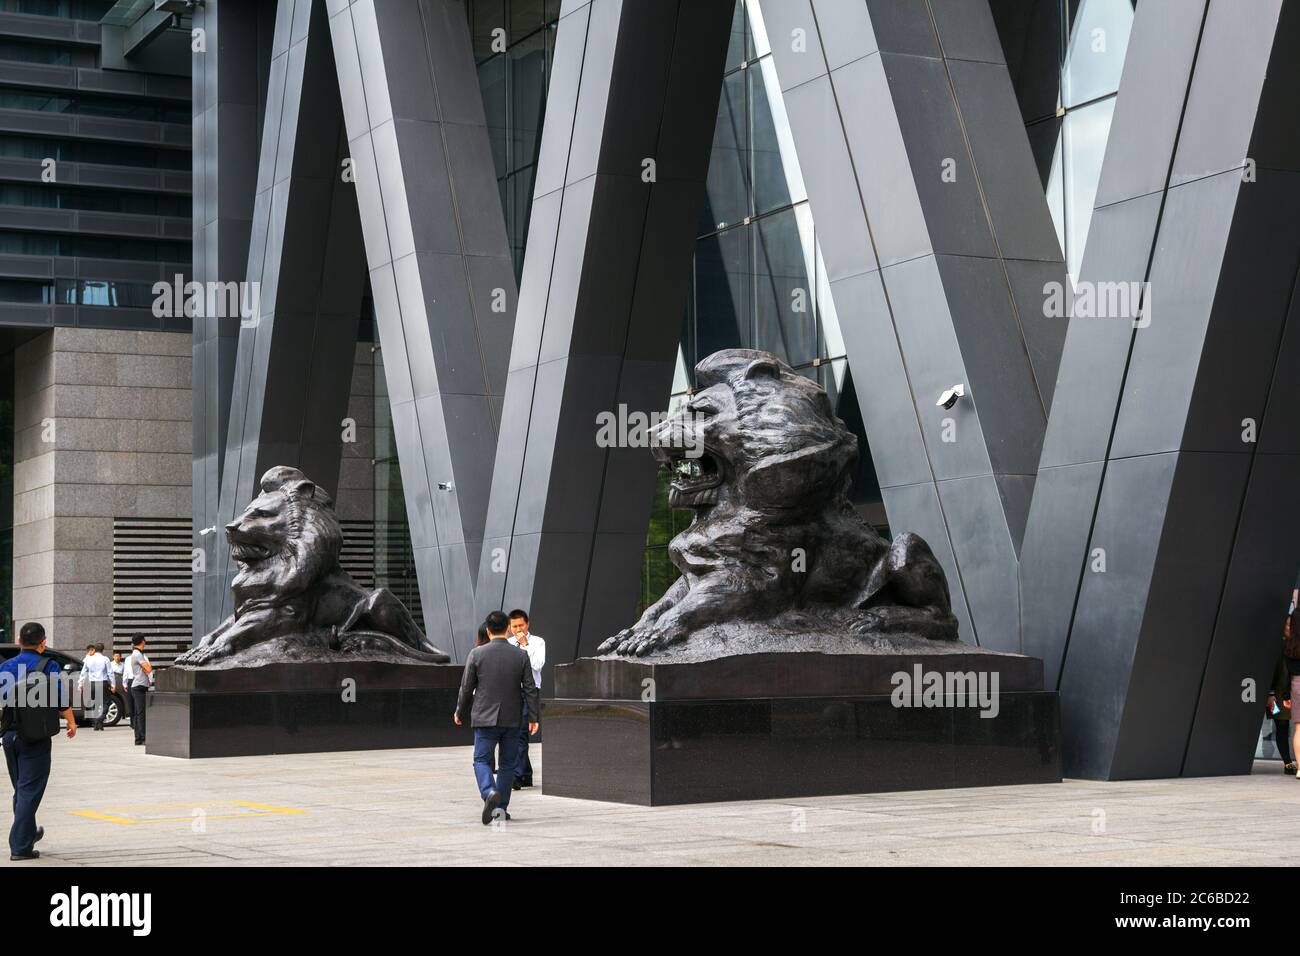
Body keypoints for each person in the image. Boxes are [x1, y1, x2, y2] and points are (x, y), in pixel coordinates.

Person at [454, 611, 539, 825]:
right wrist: (534, 717)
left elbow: (466, 688)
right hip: (512, 718)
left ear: (489, 630)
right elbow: (530, 688)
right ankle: (500, 809)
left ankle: (489, 791)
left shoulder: (476, 654)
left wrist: (459, 711)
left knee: (481, 760)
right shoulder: (521, 655)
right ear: (508, 629)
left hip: (484, 717)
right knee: (508, 764)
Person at [0, 622, 76, 860]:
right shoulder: (49, 665)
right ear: (43, 643)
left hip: (10, 737)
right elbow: (61, 699)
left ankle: (29, 832)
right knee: (29, 790)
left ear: (20, 641)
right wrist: (71, 723)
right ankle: (20, 846)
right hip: (36, 736)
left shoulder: (6, 667)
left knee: (22, 789)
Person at [507, 609, 546, 789]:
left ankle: (517, 775)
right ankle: (526, 774)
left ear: (527, 624)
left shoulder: (537, 642)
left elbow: (538, 664)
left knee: (521, 733)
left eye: (521, 625)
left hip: (529, 692)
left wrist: (525, 645)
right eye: (514, 626)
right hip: (511, 692)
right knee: (515, 733)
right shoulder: (507, 644)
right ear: (509, 627)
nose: (518, 629)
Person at [1268, 650, 1294, 773]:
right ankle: (1288, 763)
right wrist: (1270, 693)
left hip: (1291, 692)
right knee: (1282, 725)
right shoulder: (1280, 648)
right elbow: (1271, 672)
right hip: (1276, 695)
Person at [78, 643, 113, 731]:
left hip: (92, 683)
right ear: (102, 650)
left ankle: (97, 724)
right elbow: (110, 673)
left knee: (95, 703)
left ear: (94, 649)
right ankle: (100, 719)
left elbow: (83, 672)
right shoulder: (105, 659)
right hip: (103, 682)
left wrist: (80, 684)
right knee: (106, 702)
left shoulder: (88, 659)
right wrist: (113, 684)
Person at [127, 634, 153, 746]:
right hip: (139, 687)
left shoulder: (137, 654)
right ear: (143, 641)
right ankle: (144, 737)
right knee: (141, 714)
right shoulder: (137, 654)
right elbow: (149, 668)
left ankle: (138, 739)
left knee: (139, 713)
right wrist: (145, 667)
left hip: (138, 686)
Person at [1285, 610, 1300, 780]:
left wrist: (1287, 695)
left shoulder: (1290, 646)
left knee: (1299, 728)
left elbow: (1287, 673)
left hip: (1297, 684)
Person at [110, 652, 128, 716]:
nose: (117, 658)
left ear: (120, 657)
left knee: (123, 697)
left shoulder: (123, 665)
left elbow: (125, 674)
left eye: (118, 656)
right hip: (112, 681)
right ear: (113, 657)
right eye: (116, 656)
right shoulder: (110, 664)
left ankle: (125, 713)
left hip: (120, 681)